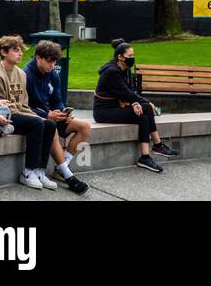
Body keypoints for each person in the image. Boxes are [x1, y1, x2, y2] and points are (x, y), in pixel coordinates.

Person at [0, 35, 60, 190]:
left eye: (21, 50)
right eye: (15, 50)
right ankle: (28, 172)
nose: (20, 53)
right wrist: (34, 117)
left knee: (49, 124)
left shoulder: (21, 74)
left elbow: (24, 104)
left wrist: (36, 115)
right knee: (36, 123)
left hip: (18, 112)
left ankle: (39, 170)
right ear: (3, 52)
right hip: (2, 116)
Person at [93, 39, 174, 172]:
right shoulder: (111, 72)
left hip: (118, 106)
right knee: (146, 108)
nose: (132, 58)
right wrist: (146, 102)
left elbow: (129, 91)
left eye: (133, 56)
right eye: (130, 56)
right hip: (104, 112)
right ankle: (158, 145)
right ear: (120, 56)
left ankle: (145, 157)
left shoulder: (125, 69)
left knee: (143, 117)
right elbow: (124, 92)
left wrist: (136, 103)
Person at [24, 40, 91, 193]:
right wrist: (47, 114)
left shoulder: (52, 74)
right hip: (37, 117)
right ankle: (68, 176)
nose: (52, 65)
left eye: (54, 62)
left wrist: (63, 112)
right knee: (51, 126)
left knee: (84, 127)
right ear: (38, 57)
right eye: (49, 61)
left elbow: (57, 99)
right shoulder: (26, 74)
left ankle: (61, 168)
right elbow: (24, 105)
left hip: (53, 115)